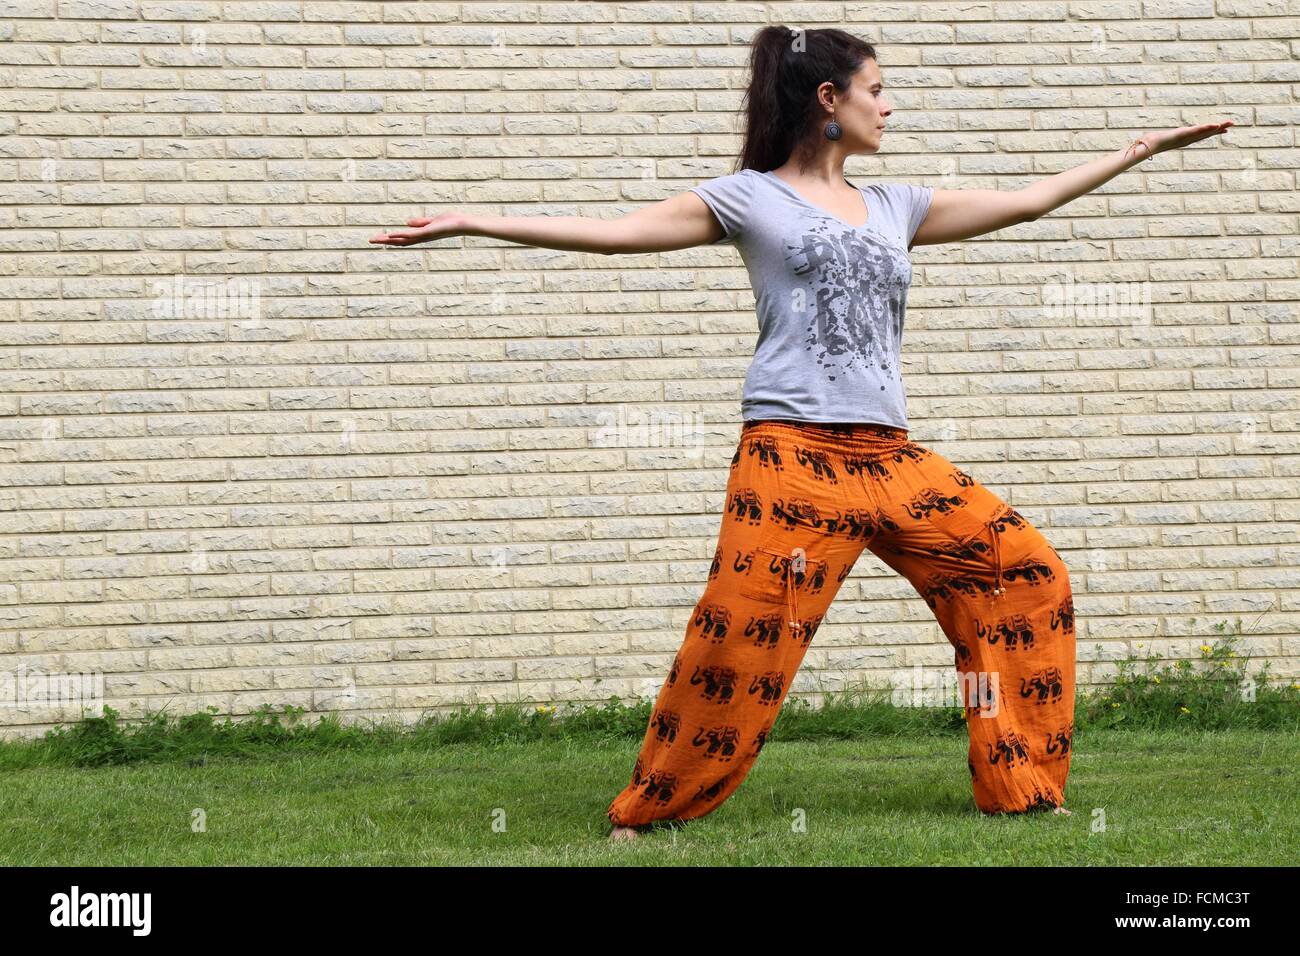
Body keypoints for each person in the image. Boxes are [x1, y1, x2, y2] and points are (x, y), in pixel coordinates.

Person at [369, 26, 1233, 841]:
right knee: (739, 638)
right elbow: (613, 236)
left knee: (1022, 573)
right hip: (791, 456)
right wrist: (477, 218)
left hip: (889, 454)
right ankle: (649, 811)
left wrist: (1138, 152)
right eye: (878, 91)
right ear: (830, 99)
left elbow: (1028, 203)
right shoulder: (750, 199)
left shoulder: (896, 204)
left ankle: (1021, 784)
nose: (889, 108)